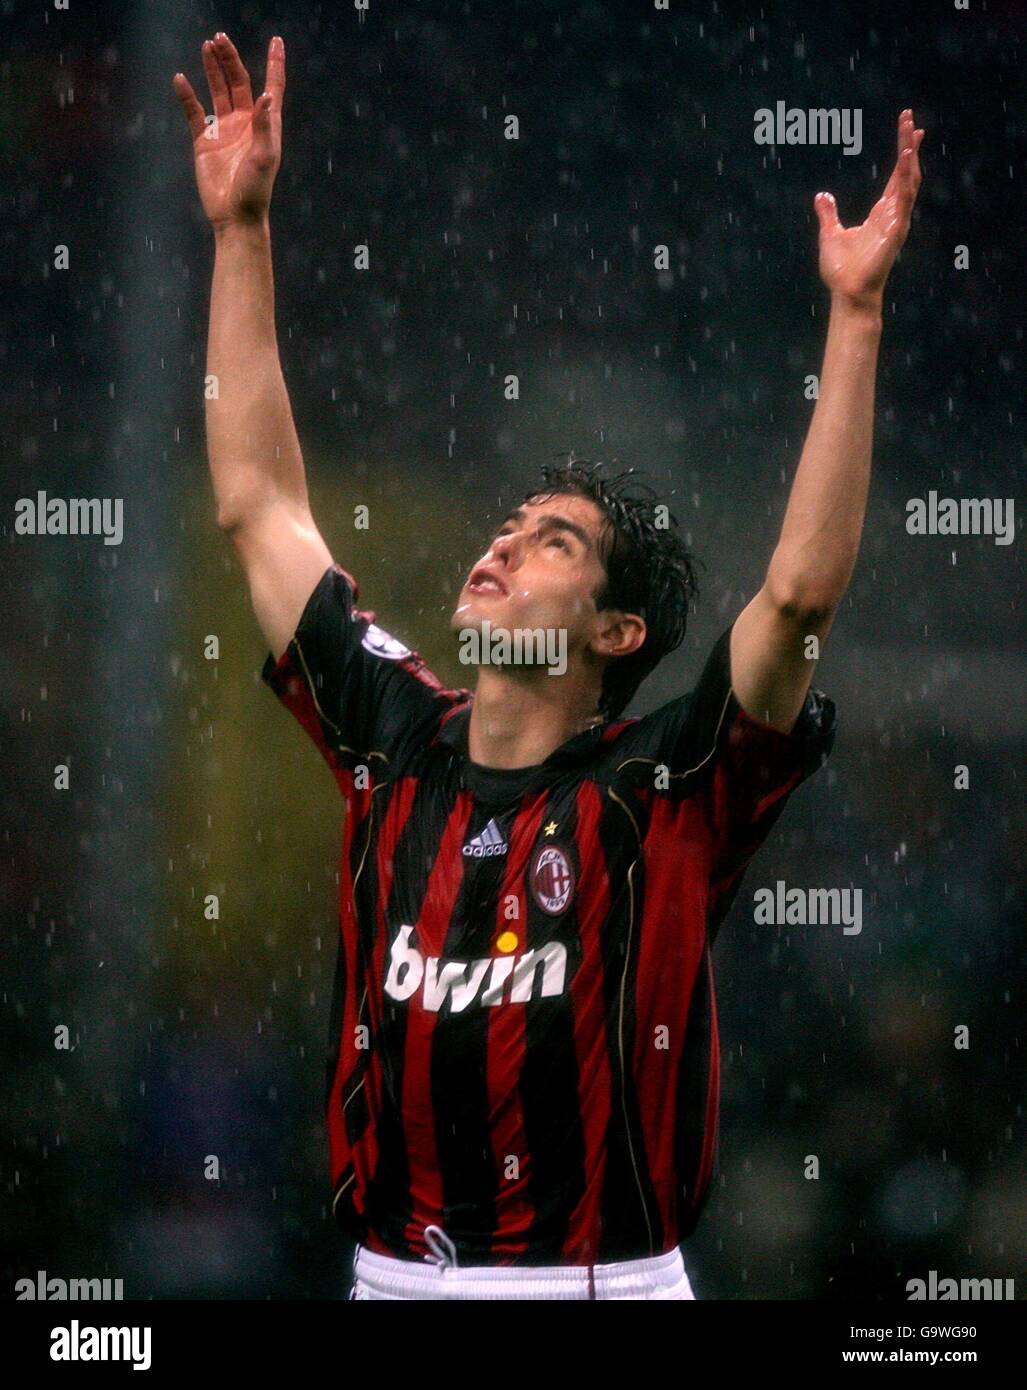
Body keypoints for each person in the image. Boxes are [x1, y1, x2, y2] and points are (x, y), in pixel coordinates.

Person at [174, 33, 923, 1300]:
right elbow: (256, 502)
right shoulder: (389, 726)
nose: (503, 545)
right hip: (384, 1278)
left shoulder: (664, 785)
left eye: (553, 541)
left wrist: (853, 316)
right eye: (507, 526)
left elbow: (797, 595)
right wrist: (240, 230)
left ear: (617, 632)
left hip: (599, 1285)